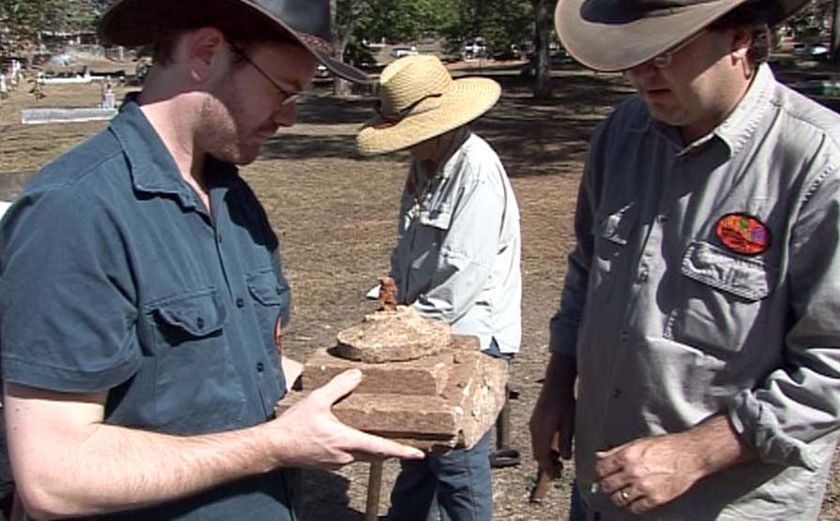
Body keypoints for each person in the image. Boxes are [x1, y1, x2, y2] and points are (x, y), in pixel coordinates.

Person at [0, 1, 424, 520]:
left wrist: (386, 396)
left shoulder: (231, 197)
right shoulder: (76, 211)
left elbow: (243, 365)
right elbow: (55, 476)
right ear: (206, 53)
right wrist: (274, 445)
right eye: (285, 90)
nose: (290, 116)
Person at [529, 0, 840, 519]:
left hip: (727, 503)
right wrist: (559, 382)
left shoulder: (818, 164)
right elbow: (588, 267)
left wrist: (699, 451)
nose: (641, 72)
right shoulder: (620, 134)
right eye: (634, 53)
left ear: (740, 40)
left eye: (666, 51)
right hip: (604, 484)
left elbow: (832, 363)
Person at [356, 55, 522, 521]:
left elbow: (460, 281)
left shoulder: (476, 172)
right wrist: (389, 303)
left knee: (457, 461)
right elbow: (409, 251)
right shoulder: (427, 165)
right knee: (421, 453)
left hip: (470, 336)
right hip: (431, 330)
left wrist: (403, 336)